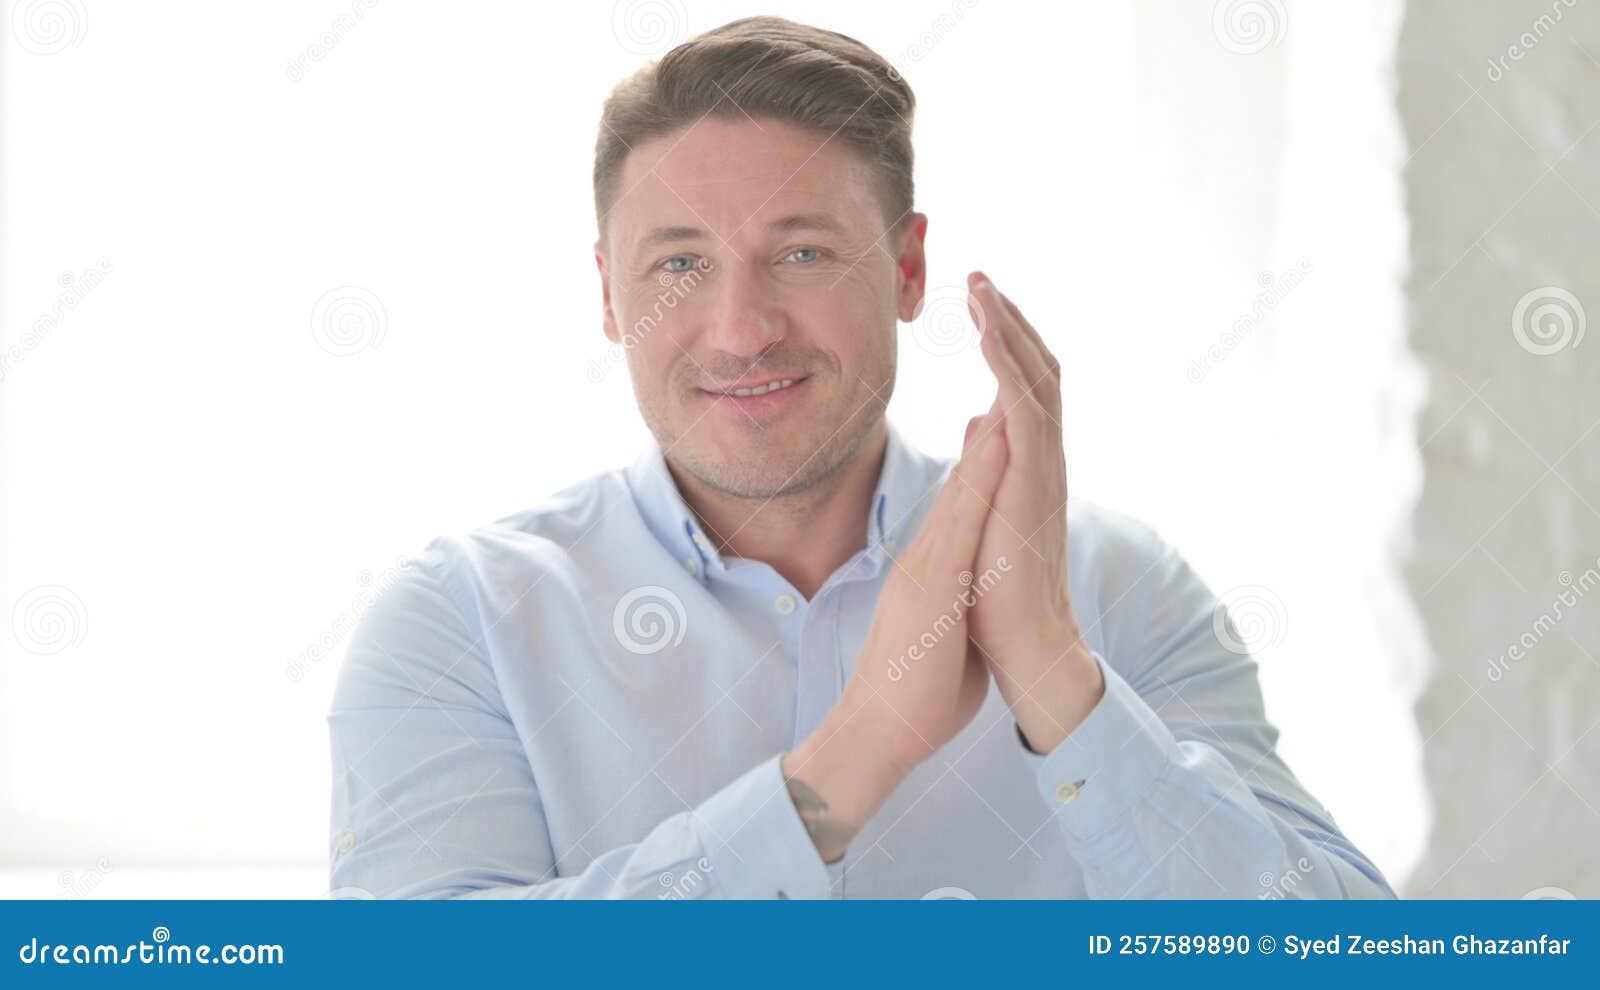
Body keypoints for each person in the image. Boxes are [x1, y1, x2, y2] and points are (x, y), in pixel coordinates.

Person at [326, 16, 1393, 899]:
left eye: (802, 253)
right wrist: (860, 750)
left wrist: (1056, 679)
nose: (742, 331)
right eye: (681, 265)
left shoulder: (1117, 586)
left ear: (908, 271)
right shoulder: (459, 623)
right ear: (610, 296)